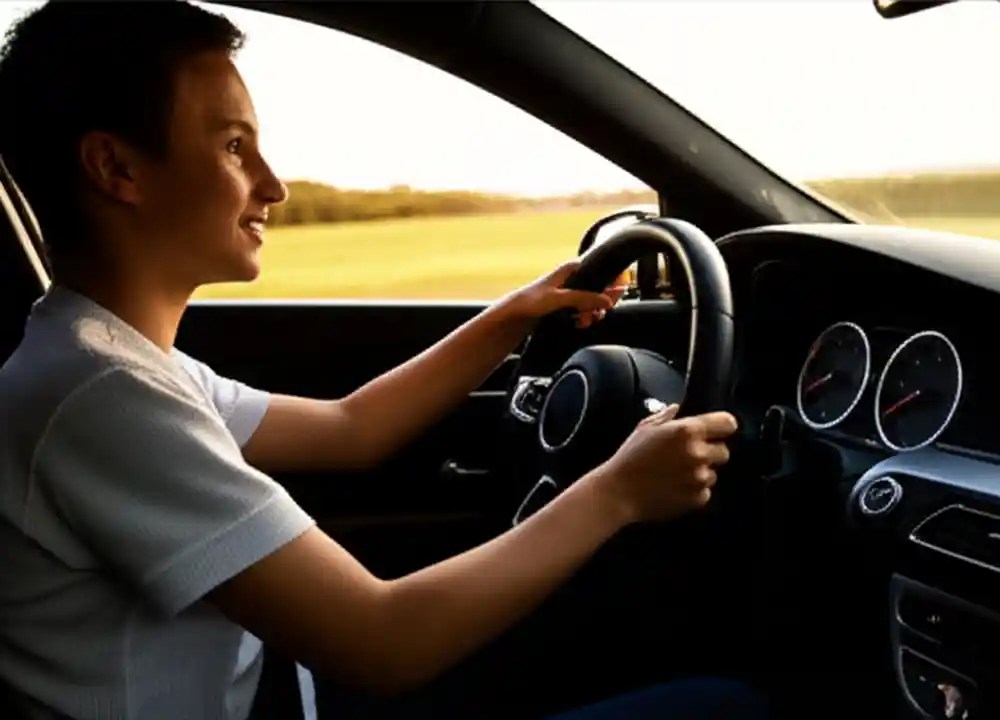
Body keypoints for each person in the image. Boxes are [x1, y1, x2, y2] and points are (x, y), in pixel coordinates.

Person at [0, 2, 762, 718]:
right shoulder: (100, 395)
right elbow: (381, 642)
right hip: (284, 697)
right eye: (234, 147)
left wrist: (515, 313)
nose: (275, 185)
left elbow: (352, 427)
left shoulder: (111, 358)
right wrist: (620, 492)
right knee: (729, 707)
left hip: (278, 685)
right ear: (116, 169)